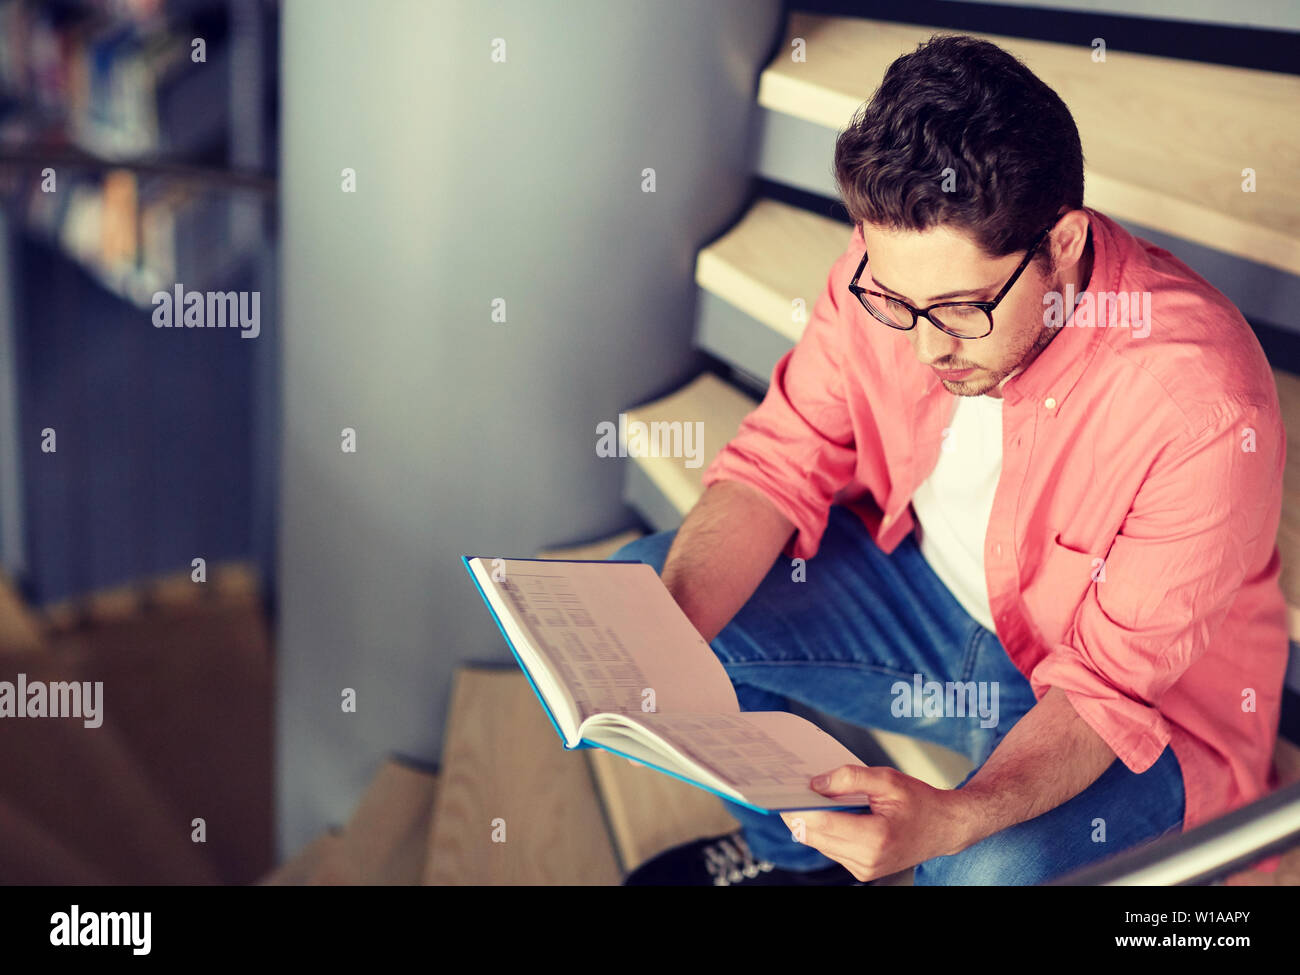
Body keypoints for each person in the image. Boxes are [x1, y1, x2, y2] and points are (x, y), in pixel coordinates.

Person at [617, 33, 1288, 886]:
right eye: (897, 301)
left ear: (1066, 246)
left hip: (1130, 709)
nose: (927, 345)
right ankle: (796, 865)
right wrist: (665, 646)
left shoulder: (1203, 404)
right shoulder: (886, 271)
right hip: (932, 603)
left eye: (961, 309)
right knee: (643, 604)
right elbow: (777, 464)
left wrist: (957, 817)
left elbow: (1105, 691)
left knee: (978, 870)